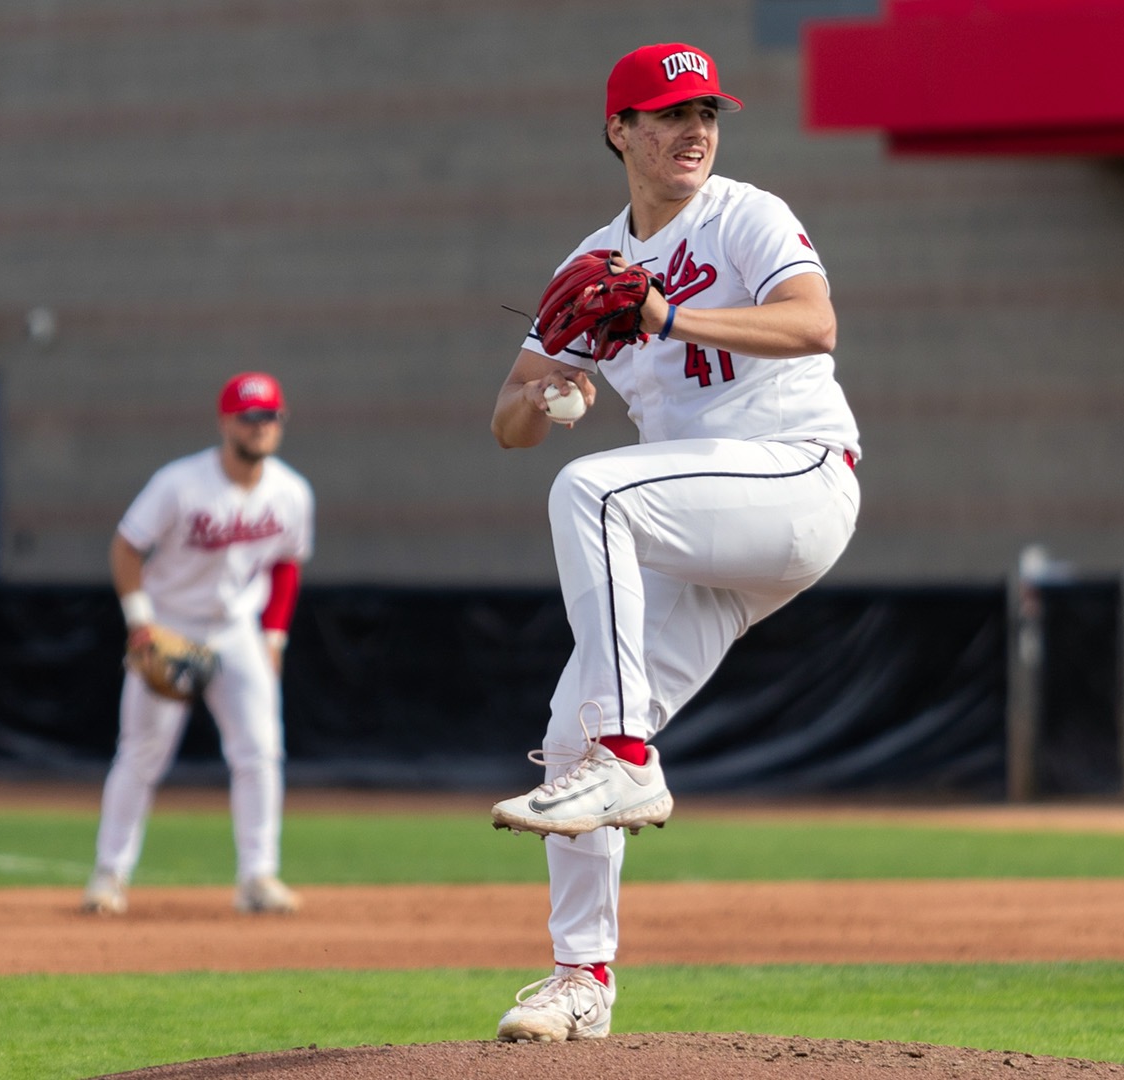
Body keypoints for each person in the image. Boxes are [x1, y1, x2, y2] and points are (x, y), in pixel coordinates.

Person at [485, 42, 862, 1042]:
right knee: (567, 733)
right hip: (704, 532)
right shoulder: (590, 262)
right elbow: (506, 422)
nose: (697, 130)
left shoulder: (746, 212)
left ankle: (628, 755)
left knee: (593, 495)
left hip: (796, 475)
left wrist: (669, 314)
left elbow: (815, 323)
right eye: (670, 115)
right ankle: (581, 981)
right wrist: (549, 392)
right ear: (619, 131)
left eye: (708, 113)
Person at [82, 372, 314, 917]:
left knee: (260, 752)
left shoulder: (292, 491)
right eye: (249, 417)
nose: (260, 427)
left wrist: (274, 636)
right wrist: (140, 625)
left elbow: (286, 565)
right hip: (170, 624)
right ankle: (108, 876)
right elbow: (125, 548)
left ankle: (257, 878)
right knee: (142, 754)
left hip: (238, 630)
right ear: (226, 421)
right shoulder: (180, 484)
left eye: (270, 417)